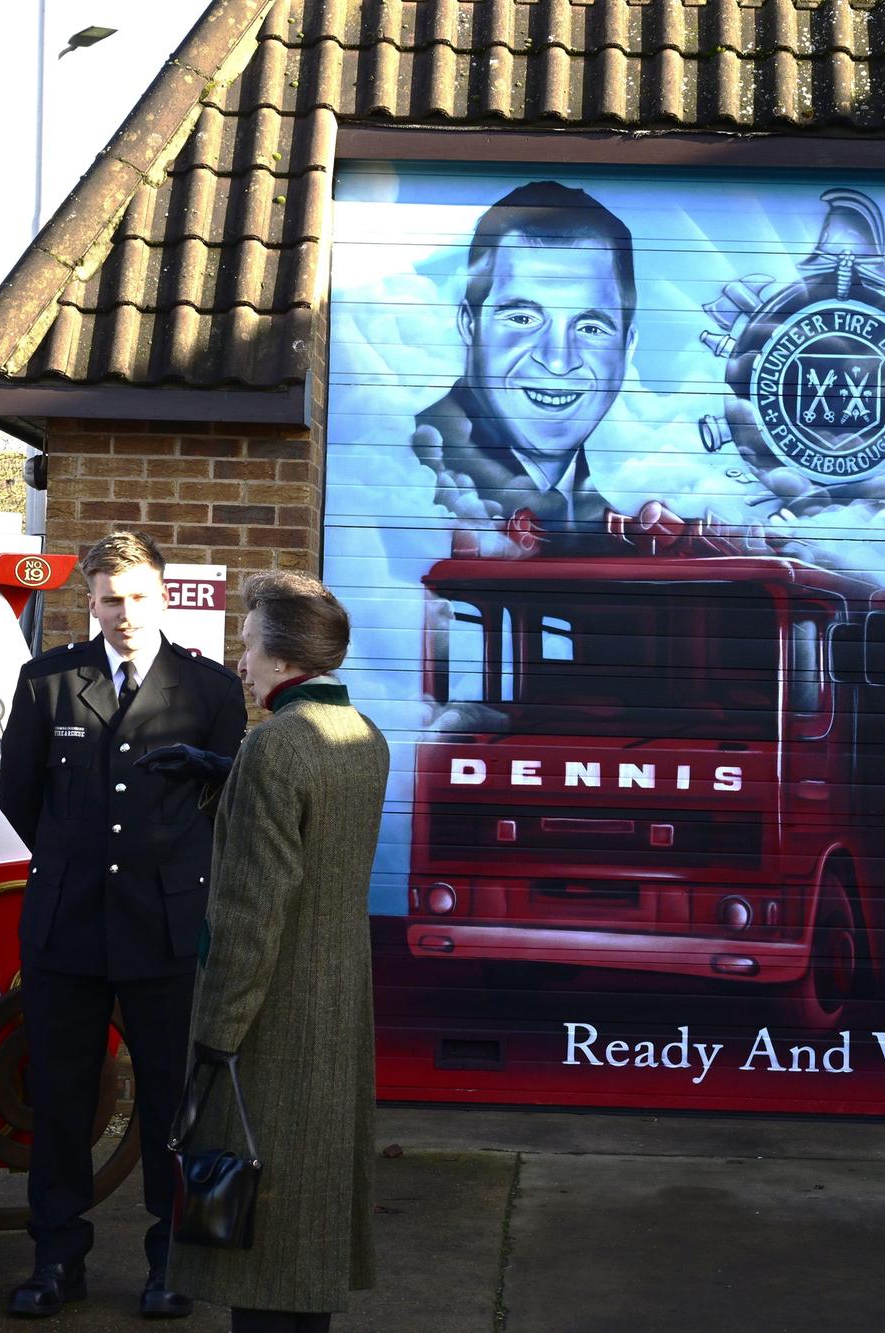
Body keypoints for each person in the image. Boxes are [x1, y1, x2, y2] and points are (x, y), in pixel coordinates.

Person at [0, 530, 248, 1320]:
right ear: (89, 601)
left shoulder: (208, 689)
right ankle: (56, 1258)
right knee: (62, 1096)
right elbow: (19, 794)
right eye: (110, 599)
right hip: (67, 927)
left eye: (139, 596)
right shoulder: (48, 680)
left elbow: (230, 803)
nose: (125, 613)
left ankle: (169, 1260)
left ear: (163, 595)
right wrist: (71, 865)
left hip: (164, 929)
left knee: (170, 1102)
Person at [169, 570, 391, 1333]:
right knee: (306, 1238)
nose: (240, 657)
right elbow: (317, 835)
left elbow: (250, 914)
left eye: (250, 640)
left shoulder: (275, 746)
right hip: (335, 1012)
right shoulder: (365, 738)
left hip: (269, 1024)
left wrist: (213, 1038)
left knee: (259, 1251)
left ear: (284, 656)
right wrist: (224, 783)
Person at [411, 180, 637, 548]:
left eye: (591, 327)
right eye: (522, 319)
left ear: (628, 345)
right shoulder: (411, 478)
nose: (559, 360)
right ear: (470, 324)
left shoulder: (609, 523)